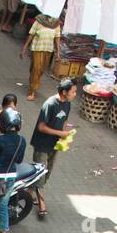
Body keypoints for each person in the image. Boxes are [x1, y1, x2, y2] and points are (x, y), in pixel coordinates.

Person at [30, 80, 77, 219]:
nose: (75, 94)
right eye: (73, 91)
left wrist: (65, 134)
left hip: (55, 145)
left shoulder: (67, 104)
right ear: (64, 92)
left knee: (47, 172)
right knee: (41, 173)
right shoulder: (50, 104)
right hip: (42, 144)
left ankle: (31, 191)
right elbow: (41, 127)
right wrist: (60, 134)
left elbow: (64, 121)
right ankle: (42, 205)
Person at [21, 13, 62, 101]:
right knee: (36, 68)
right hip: (37, 48)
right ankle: (32, 91)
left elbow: (57, 37)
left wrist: (58, 51)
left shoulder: (56, 24)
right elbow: (31, 34)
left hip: (48, 50)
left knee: (41, 69)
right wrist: (24, 47)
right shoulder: (39, 20)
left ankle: (33, 82)